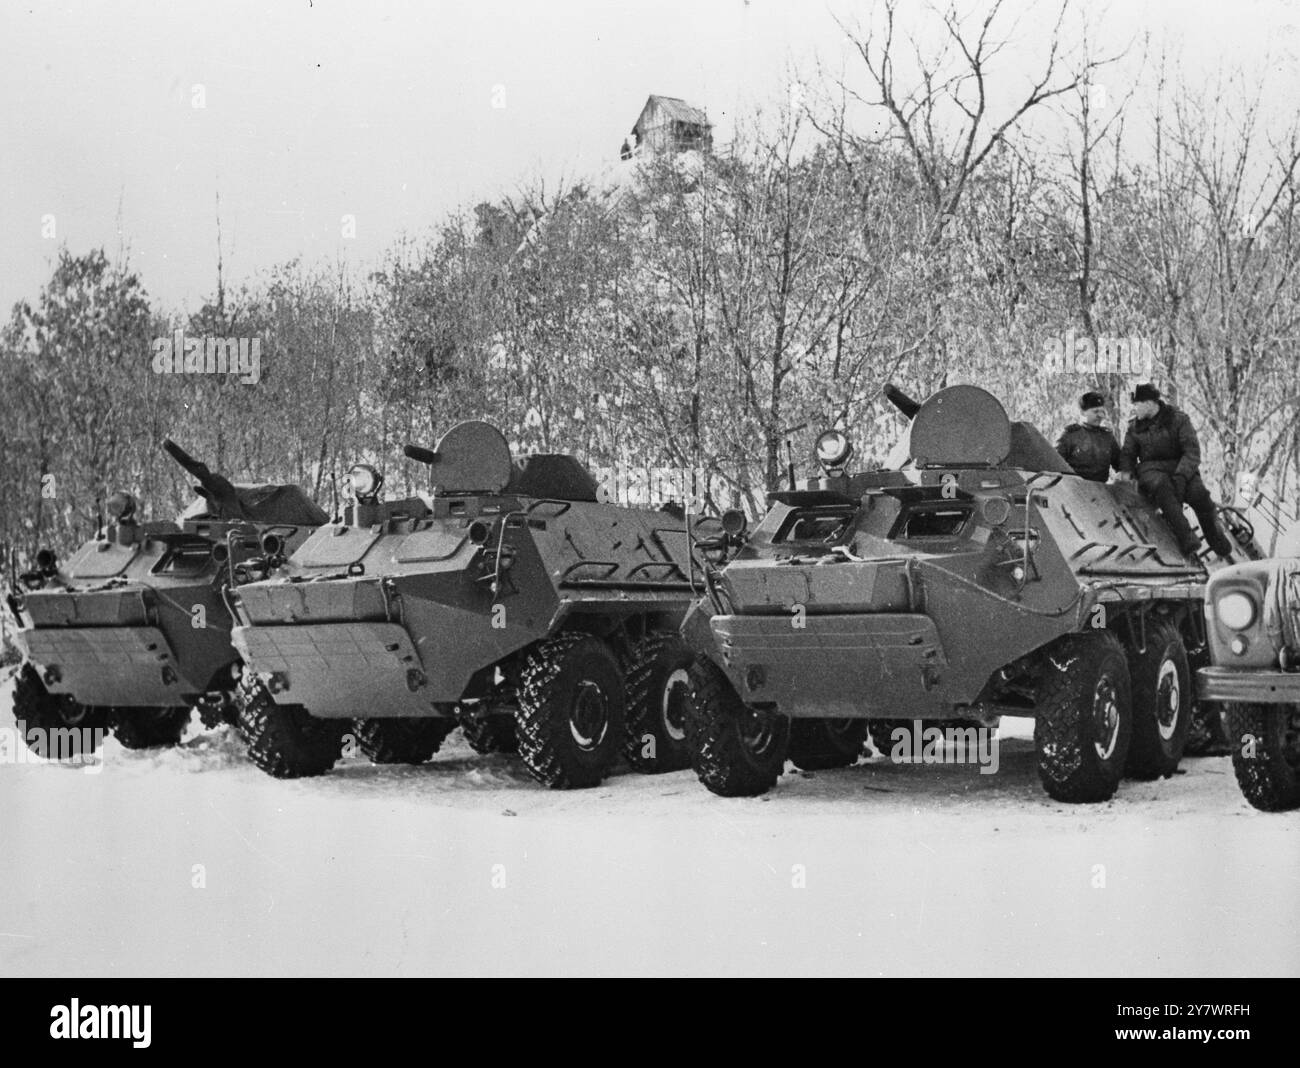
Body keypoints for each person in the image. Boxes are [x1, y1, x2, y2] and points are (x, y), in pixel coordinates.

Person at [1117, 383, 1233, 558]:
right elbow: (1128, 453)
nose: (1134, 408)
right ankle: (1187, 538)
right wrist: (1126, 472)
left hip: (1180, 467)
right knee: (1163, 490)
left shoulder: (1178, 420)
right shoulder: (1134, 427)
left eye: (1137, 404)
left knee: (1200, 497)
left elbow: (1192, 452)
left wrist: (1181, 476)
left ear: (1149, 403)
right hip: (1151, 469)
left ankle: (1216, 540)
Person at [1056, 391, 1121, 483]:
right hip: (1074, 489)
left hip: (1101, 490)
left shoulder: (1107, 437)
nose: (1100, 415)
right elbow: (1055, 465)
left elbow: (1121, 466)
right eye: (1095, 411)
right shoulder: (1070, 435)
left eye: (1102, 411)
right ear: (1083, 412)